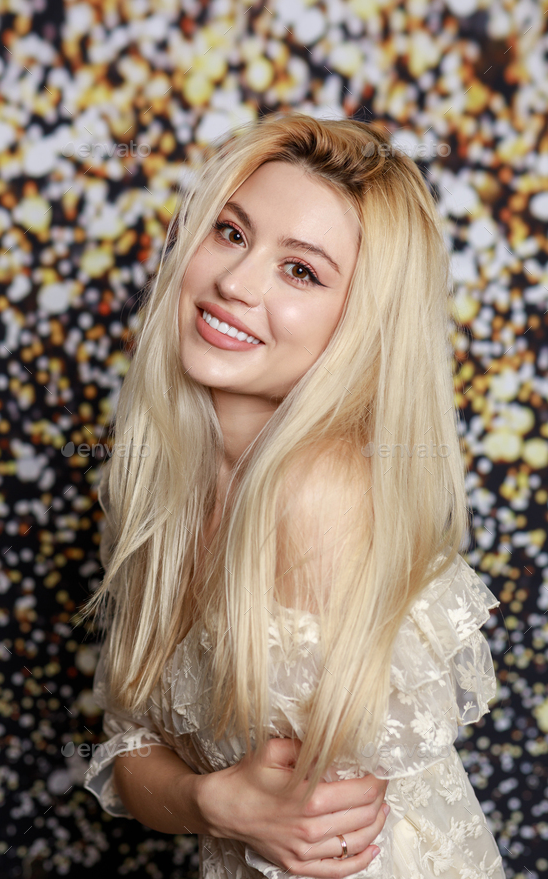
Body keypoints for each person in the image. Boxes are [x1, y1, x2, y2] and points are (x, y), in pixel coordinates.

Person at [79, 112, 506, 878]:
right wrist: (214, 801)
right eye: (232, 233)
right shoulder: (161, 473)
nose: (233, 283)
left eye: (301, 270)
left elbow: (332, 846)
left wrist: (224, 801)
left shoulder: (317, 500)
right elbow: (129, 746)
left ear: (361, 327)